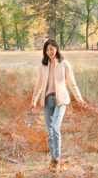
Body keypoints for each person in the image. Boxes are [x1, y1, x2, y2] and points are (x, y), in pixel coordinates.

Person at [30, 38, 86, 170]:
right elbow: (38, 85)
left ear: (56, 49)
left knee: (55, 127)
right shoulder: (42, 67)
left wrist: (80, 99)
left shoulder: (64, 64)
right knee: (49, 131)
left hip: (61, 100)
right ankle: (53, 159)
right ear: (45, 52)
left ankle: (57, 159)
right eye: (47, 50)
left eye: (52, 49)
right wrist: (33, 101)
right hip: (47, 101)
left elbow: (72, 83)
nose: (50, 52)